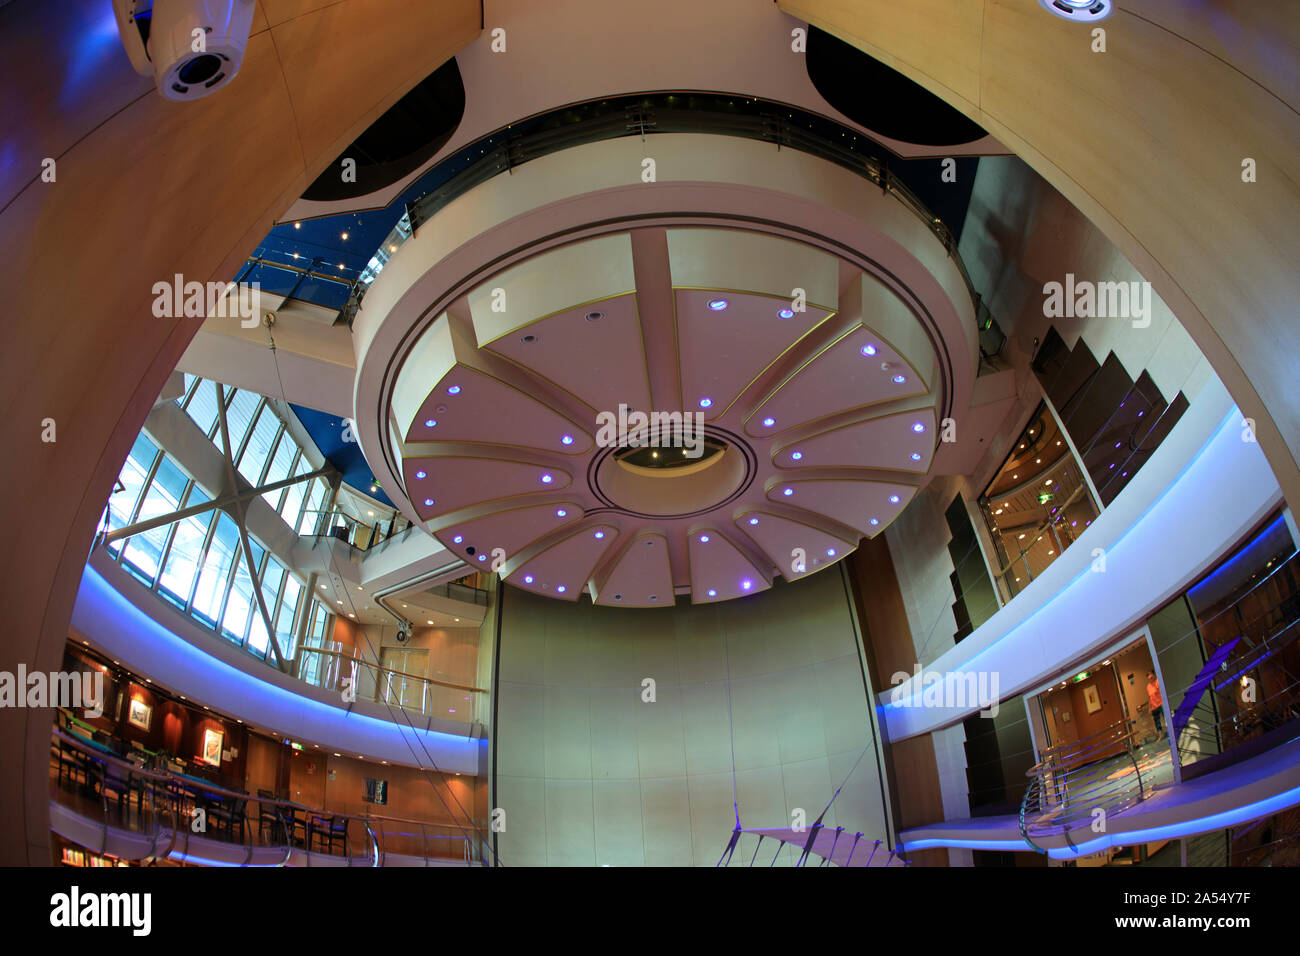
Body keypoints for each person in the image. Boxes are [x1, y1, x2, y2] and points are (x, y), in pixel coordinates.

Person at [1146, 671, 1165, 736]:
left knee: (1166, 718)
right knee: (1157, 722)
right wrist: (1149, 708)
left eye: (1151, 675)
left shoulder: (1158, 681)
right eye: (1148, 676)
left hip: (1161, 703)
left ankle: (1171, 731)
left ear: (1153, 675)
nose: (1150, 677)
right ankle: (1160, 735)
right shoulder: (1148, 686)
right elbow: (1149, 697)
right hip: (1154, 706)